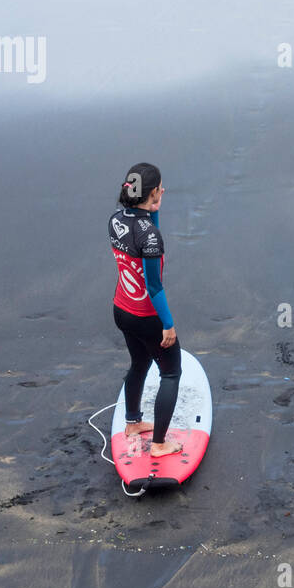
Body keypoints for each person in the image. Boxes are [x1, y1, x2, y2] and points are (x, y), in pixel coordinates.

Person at [109, 163, 183, 457]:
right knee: (171, 373)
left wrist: (154, 205)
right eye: (160, 189)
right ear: (153, 192)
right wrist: (168, 324)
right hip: (145, 316)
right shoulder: (150, 236)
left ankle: (132, 423)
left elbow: (146, 228)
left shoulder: (116, 219)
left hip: (121, 310)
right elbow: (153, 286)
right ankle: (159, 445)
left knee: (139, 363)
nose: (163, 191)